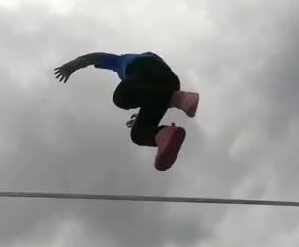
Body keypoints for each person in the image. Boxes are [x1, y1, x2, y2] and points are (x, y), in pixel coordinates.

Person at [54, 51, 199, 171]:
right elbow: (155, 98)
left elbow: (93, 57)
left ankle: (176, 98)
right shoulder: (148, 85)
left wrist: (71, 66)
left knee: (121, 98)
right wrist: (142, 116)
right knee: (138, 134)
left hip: (146, 68)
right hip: (170, 85)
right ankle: (164, 133)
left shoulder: (121, 61)